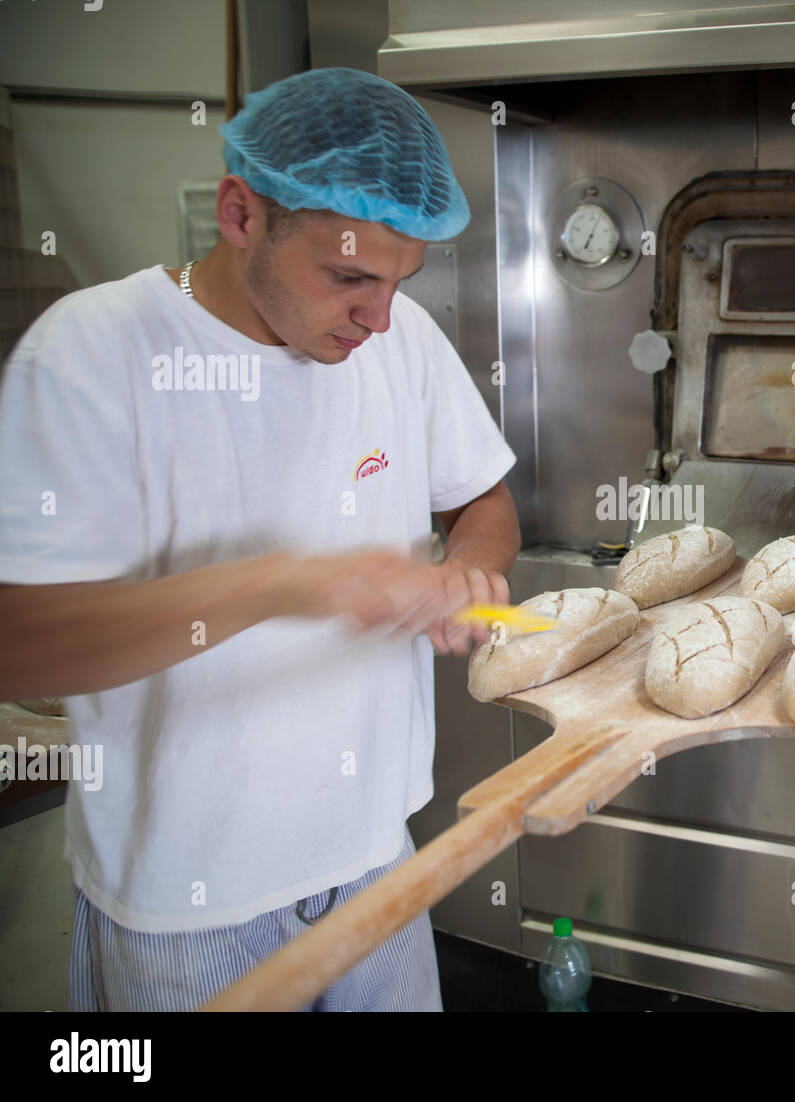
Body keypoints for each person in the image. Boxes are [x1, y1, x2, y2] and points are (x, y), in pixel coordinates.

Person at [0, 68, 520, 1011]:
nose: (380, 316)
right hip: (185, 906)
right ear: (241, 214)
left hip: (374, 859)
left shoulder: (395, 344)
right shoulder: (90, 354)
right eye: (350, 276)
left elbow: (483, 496)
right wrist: (284, 583)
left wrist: (467, 572)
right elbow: (18, 643)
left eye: (403, 282)